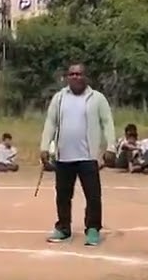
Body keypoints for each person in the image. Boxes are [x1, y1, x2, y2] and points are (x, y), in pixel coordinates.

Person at [41, 64, 115, 247]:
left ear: (86, 77)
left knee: (93, 196)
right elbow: (50, 123)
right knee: (63, 196)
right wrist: (44, 147)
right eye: (72, 74)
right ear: (67, 77)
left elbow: (107, 122)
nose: (75, 77)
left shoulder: (96, 98)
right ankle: (63, 228)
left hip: (88, 156)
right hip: (64, 156)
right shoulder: (59, 98)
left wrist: (111, 147)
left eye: (79, 74)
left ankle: (93, 229)